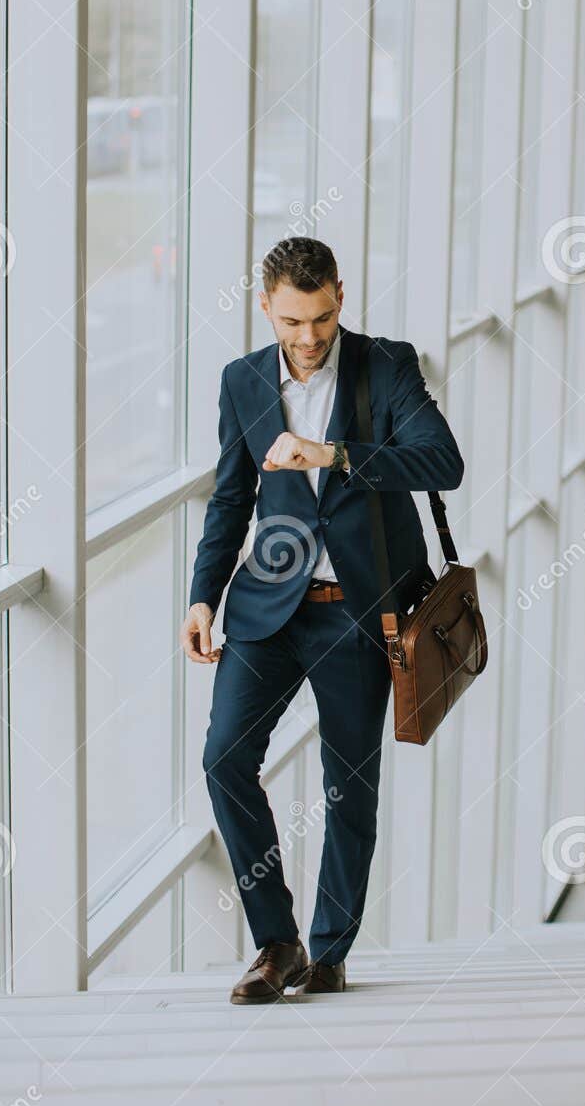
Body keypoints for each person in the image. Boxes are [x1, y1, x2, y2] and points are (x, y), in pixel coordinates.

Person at [181, 237, 464, 1004]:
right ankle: (277, 943)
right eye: (291, 322)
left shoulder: (385, 365)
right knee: (223, 758)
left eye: (321, 318)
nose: (308, 338)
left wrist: (332, 454)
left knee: (349, 785)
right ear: (264, 307)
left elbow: (442, 462)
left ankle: (330, 952)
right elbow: (230, 498)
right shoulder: (242, 380)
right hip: (268, 610)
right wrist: (203, 595)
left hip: (359, 612)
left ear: (340, 295)